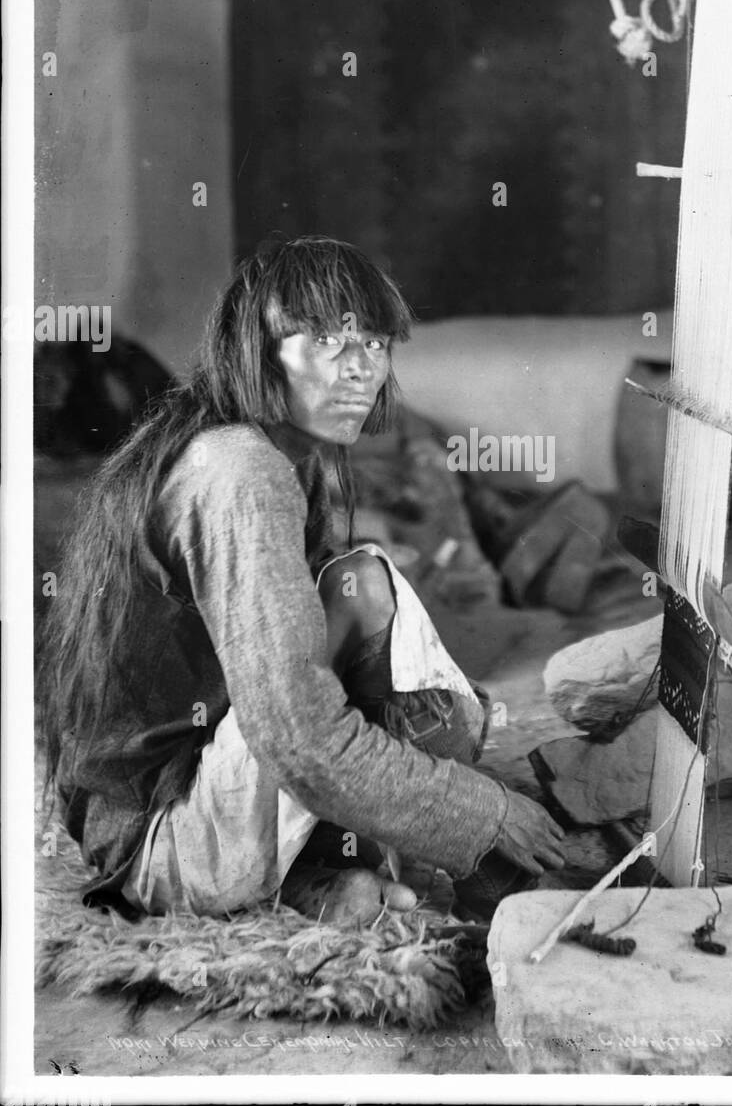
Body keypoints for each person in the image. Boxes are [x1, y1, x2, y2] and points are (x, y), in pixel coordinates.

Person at [42, 235, 565, 924]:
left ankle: (328, 878)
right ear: (257, 353)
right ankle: (480, 867)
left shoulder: (276, 451)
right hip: (159, 844)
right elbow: (296, 739)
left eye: (375, 344)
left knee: (354, 588)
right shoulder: (236, 468)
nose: (359, 369)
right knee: (367, 589)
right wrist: (484, 816)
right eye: (323, 342)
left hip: (187, 801)